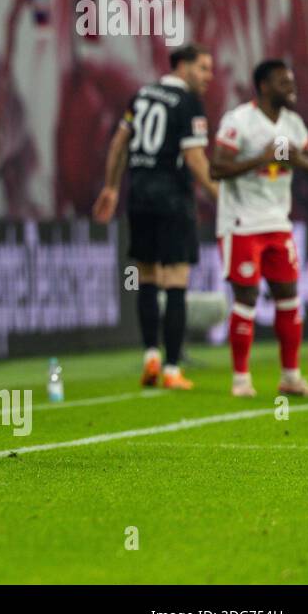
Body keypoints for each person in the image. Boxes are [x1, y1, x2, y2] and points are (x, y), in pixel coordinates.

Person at [92, 45, 217, 390]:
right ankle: (173, 368)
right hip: (174, 199)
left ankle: (150, 355)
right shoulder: (189, 102)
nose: (209, 76)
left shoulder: (143, 95)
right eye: (204, 68)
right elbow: (194, 159)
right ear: (184, 66)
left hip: (139, 196)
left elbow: (119, 143)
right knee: (176, 279)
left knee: (147, 277)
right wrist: (222, 196)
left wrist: (112, 188)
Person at [209, 60, 308, 399]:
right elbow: (217, 168)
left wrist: (296, 160)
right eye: (283, 83)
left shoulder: (293, 123)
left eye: (291, 82)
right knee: (246, 297)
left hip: (278, 222)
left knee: (289, 297)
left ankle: (291, 376)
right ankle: (241, 380)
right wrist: (261, 158)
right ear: (263, 86)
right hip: (242, 222)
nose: (291, 88)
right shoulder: (239, 120)